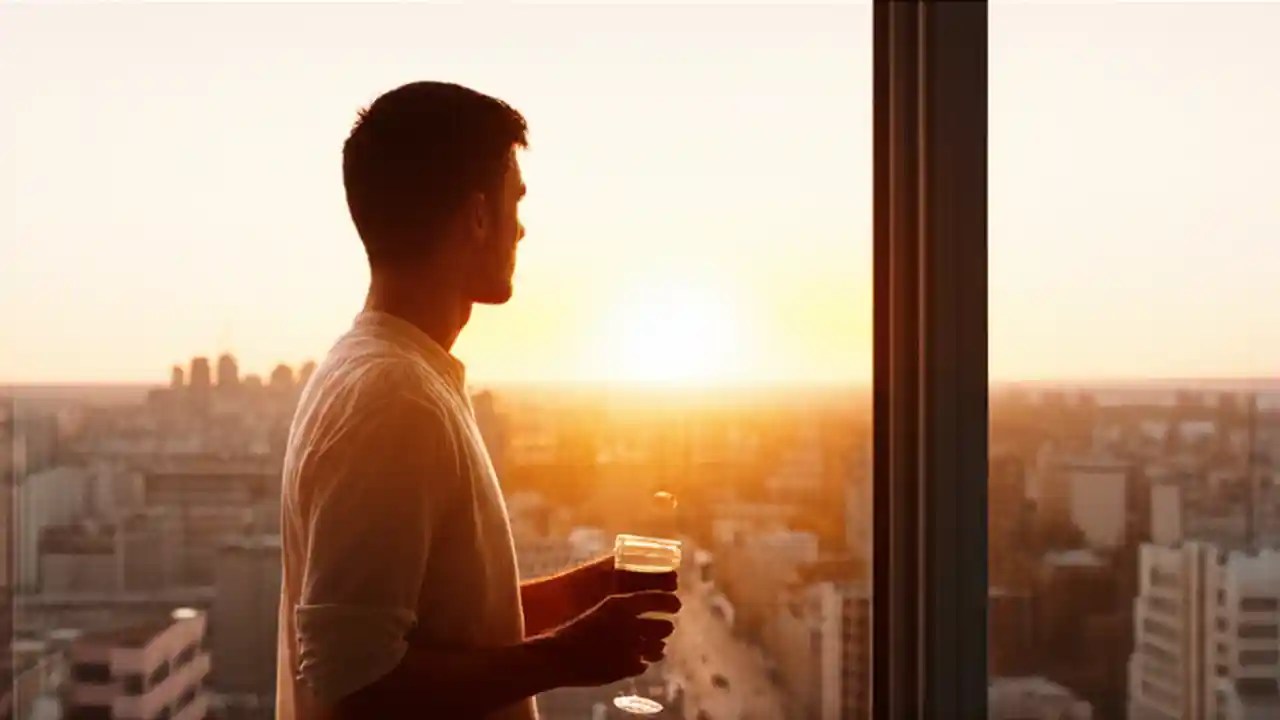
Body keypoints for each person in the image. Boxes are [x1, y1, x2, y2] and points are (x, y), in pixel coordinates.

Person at [276, 81, 681, 720]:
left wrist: (582, 591)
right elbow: (353, 680)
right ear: (478, 216)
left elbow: (433, 625)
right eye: (515, 199)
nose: (522, 226)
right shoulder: (392, 399)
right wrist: (564, 658)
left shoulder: (389, 373)